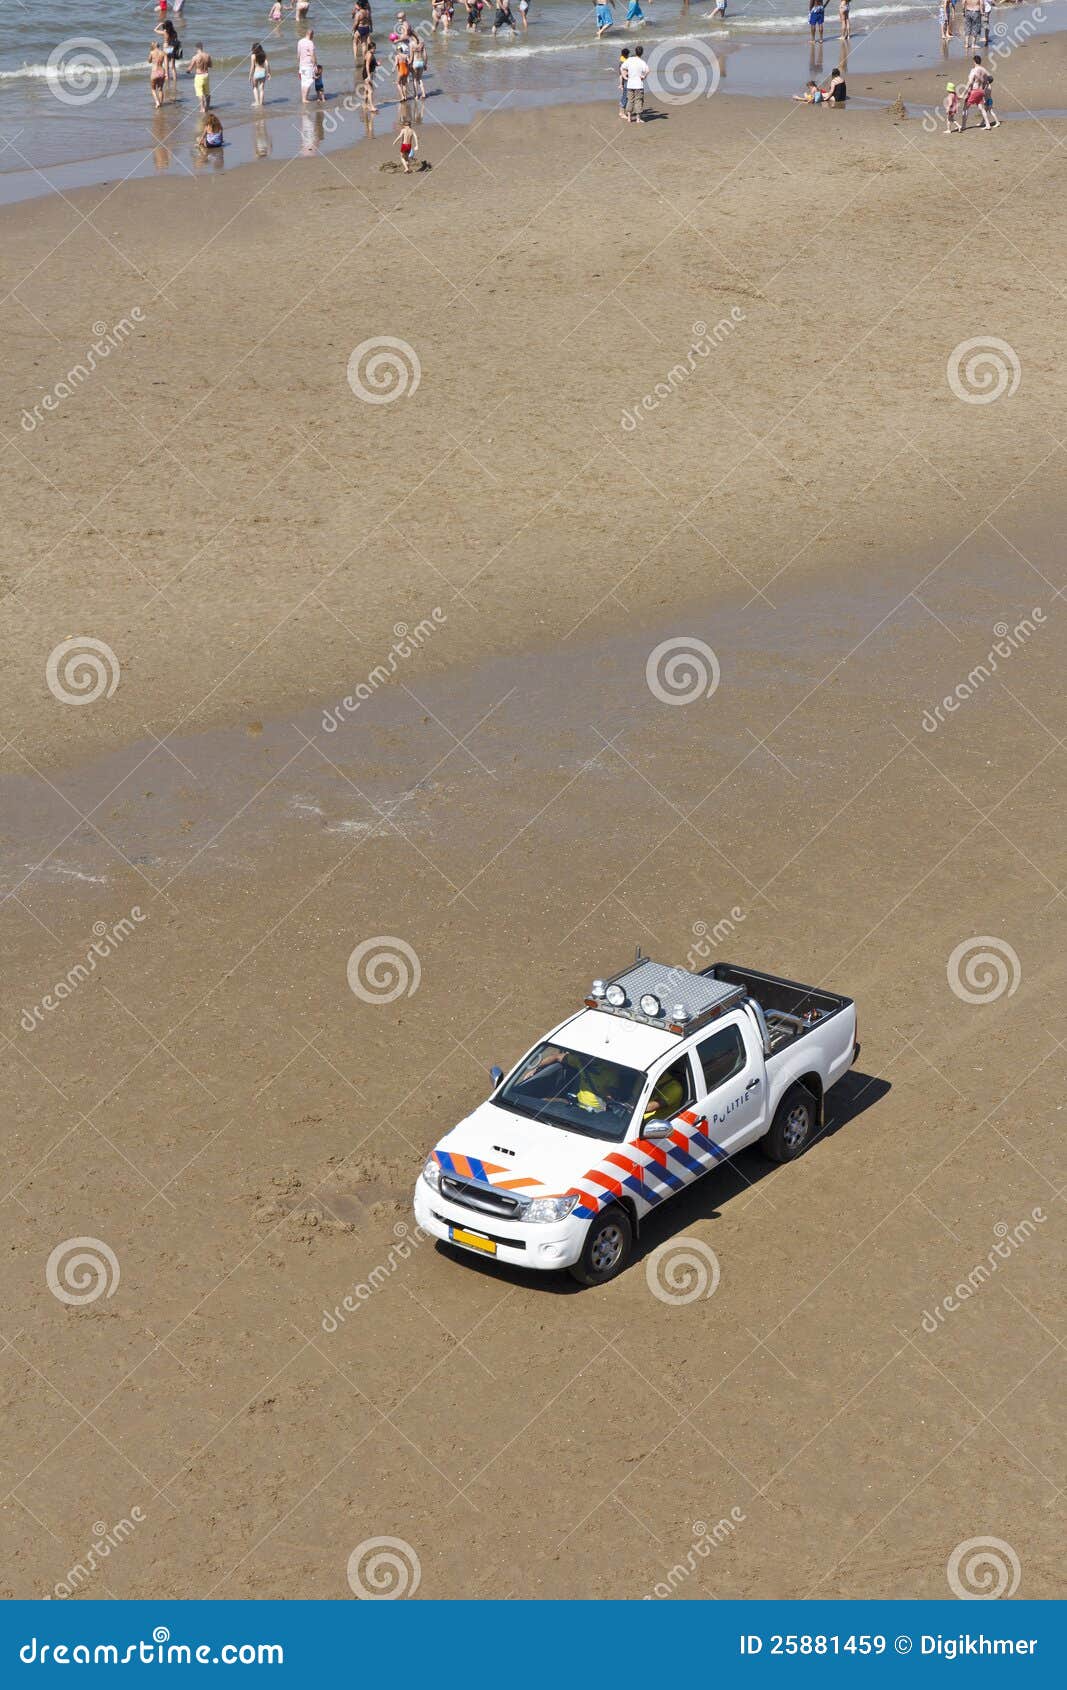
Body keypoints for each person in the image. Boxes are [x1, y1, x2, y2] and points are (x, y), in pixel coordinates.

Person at [959, 53, 992, 129]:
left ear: (974, 62)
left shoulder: (973, 70)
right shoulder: (984, 70)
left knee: (965, 108)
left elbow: (970, 82)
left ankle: (963, 126)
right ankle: (988, 124)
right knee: (981, 108)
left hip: (974, 91)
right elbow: (989, 80)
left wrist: (963, 94)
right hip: (981, 91)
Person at [624, 43, 649, 121]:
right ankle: (638, 119)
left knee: (630, 100)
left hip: (630, 84)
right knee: (638, 101)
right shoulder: (642, 62)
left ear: (635, 51)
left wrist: (624, 76)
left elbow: (623, 68)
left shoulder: (630, 60)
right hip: (638, 85)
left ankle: (629, 118)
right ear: (642, 53)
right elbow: (648, 70)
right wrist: (644, 76)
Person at [154, 18, 181, 89]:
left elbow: (155, 30)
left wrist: (160, 24)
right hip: (173, 48)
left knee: (166, 67)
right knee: (173, 66)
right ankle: (175, 81)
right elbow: (176, 41)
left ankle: (167, 82)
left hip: (166, 49)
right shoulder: (174, 33)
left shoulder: (165, 32)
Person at [187, 42, 212, 111]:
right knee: (207, 92)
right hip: (206, 75)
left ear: (196, 48)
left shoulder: (195, 57)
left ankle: (202, 107)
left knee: (200, 93)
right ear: (202, 47)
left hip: (199, 76)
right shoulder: (207, 55)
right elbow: (210, 66)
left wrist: (188, 71)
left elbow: (190, 68)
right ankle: (208, 106)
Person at [297, 27, 317, 102]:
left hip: (302, 65)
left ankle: (304, 98)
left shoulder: (300, 41)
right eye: (313, 35)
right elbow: (312, 55)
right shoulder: (310, 43)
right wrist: (315, 64)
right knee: (309, 81)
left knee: (303, 81)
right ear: (311, 35)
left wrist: (299, 64)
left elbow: (298, 54)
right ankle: (304, 99)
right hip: (308, 65)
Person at [361, 37, 380, 109]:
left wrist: (377, 64)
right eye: (374, 48)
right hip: (366, 74)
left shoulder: (371, 54)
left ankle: (365, 104)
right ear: (370, 48)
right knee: (370, 91)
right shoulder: (369, 55)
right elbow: (367, 65)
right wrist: (368, 76)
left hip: (368, 73)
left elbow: (372, 63)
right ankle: (372, 107)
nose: (375, 49)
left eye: (375, 48)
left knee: (366, 90)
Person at [148, 41, 167, 108]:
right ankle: (161, 104)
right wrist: (166, 73)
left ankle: (157, 102)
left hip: (154, 71)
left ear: (153, 46)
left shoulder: (152, 52)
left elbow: (149, 61)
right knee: (160, 89)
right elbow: (166, 64)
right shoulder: (163, 53)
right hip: (162, 71)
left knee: (153, 89)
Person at [618, 45, 630, 119]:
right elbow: (623, 75)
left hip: (623, 79)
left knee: (624, 97)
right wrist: (621, 84)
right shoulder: (623, 62)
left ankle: (621, 112)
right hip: (624, 80)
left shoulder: (622, 59)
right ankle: (622, 113)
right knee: (625, 97)